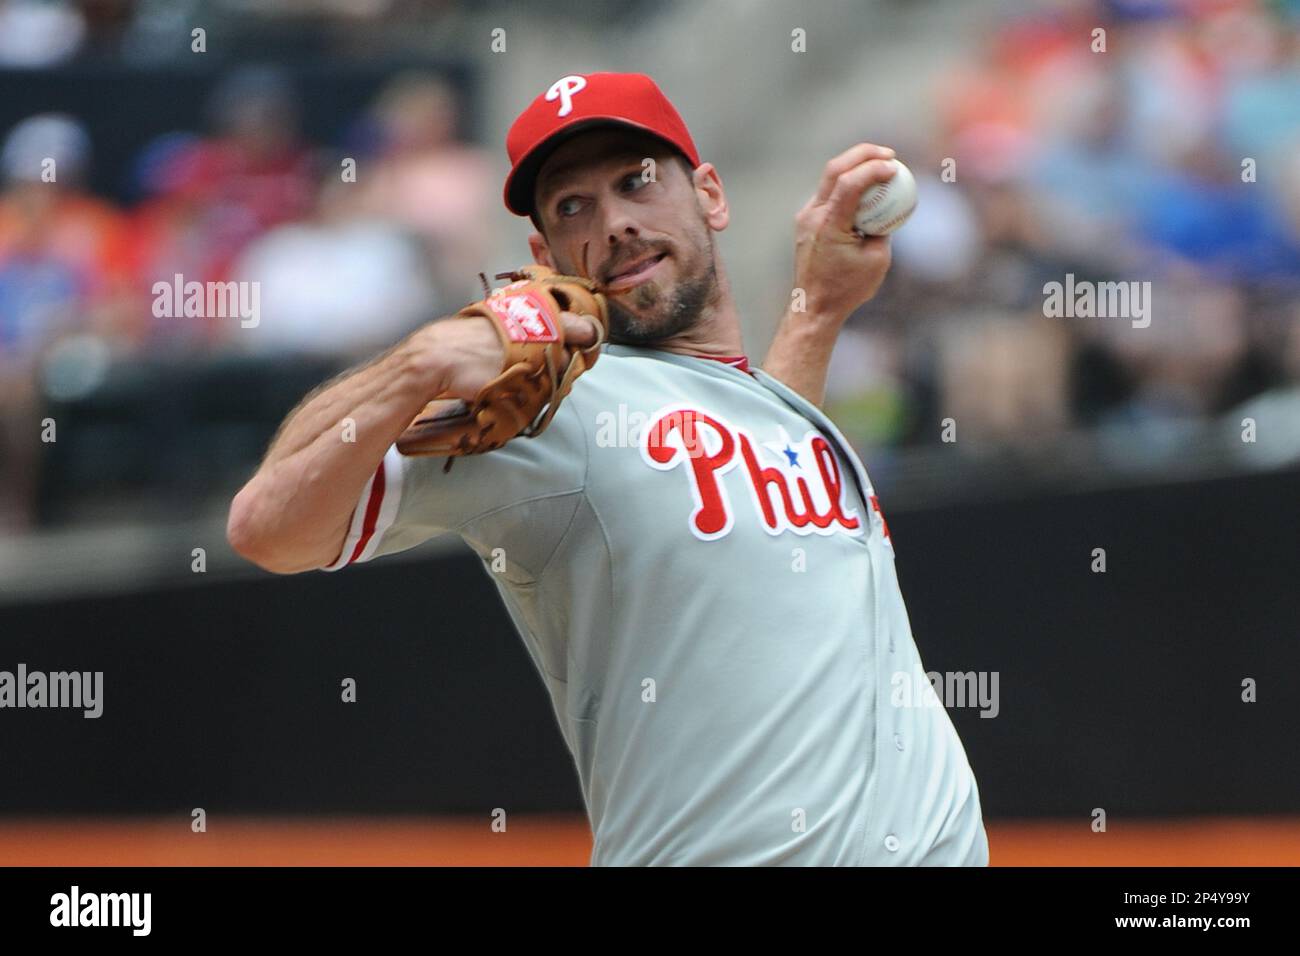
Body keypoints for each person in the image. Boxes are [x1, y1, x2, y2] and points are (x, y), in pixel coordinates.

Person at [228, 72, 988, 866]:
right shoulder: (550, 408)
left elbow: (744, 492)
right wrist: (415, 366)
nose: (616, 223)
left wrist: (817, 312)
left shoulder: (771, 409)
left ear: (711, 197)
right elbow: (268, 528)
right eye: (572, 207)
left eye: (636, 181)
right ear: (544, 255)